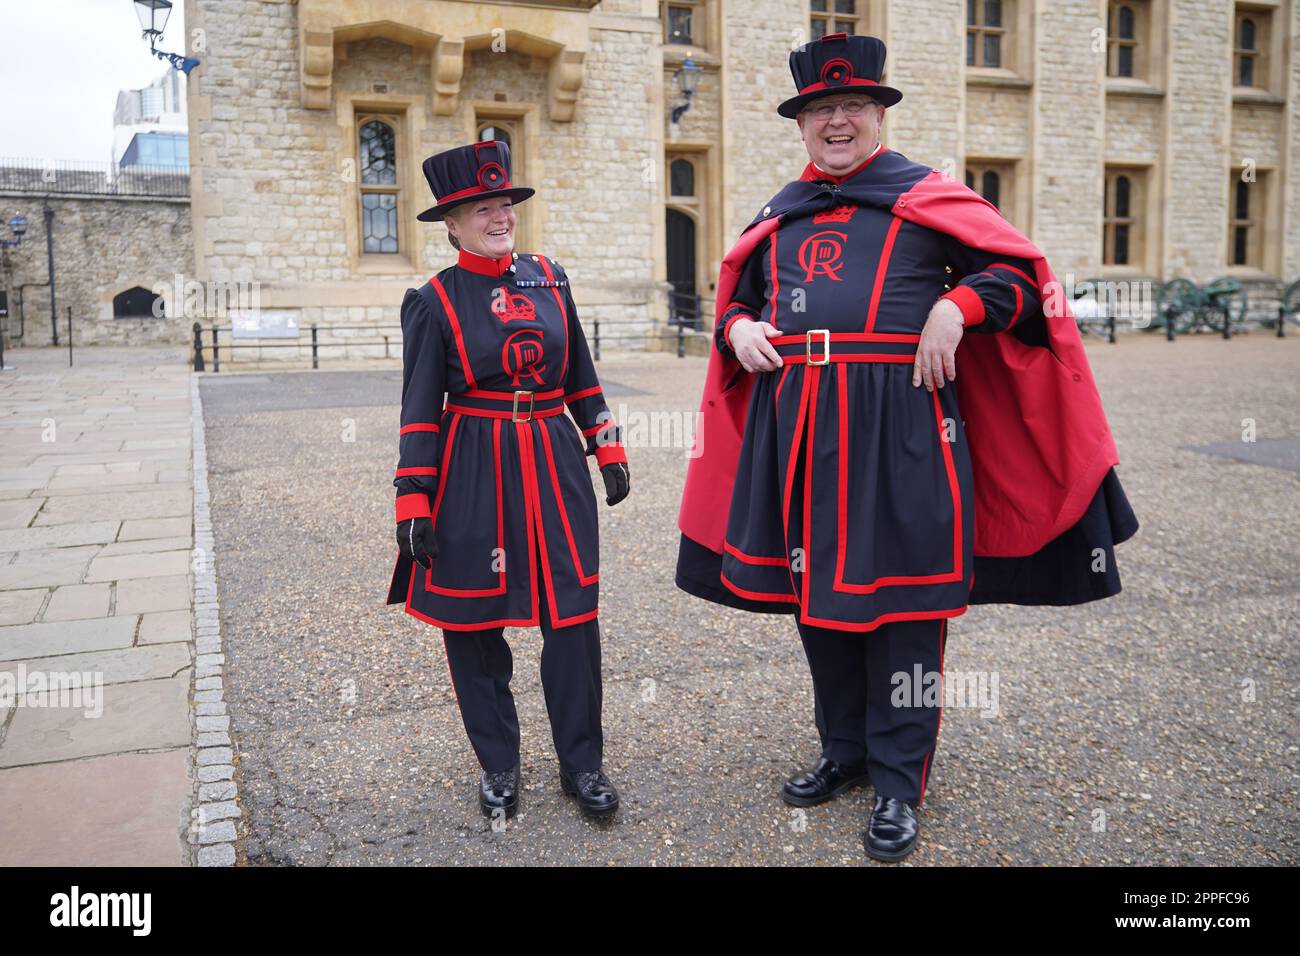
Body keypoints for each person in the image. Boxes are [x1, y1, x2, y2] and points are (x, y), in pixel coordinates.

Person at [675, 34, 1138, 861]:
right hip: (802, 432)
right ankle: (845, 751)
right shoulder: (779, 213)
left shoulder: (931, 197)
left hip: (909, 431)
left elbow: (1020, 281)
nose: (838, 122)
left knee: (904, 610)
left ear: (879, 114)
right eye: (821, 111)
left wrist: (957, 306)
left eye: (853, 107)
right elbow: (736, 301)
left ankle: (897, 780)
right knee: (816, 603)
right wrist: (740, 326)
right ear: (803, 126)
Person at [386, 141, 631, 821]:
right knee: (471, 624)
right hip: (472, 470)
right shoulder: (433, 301)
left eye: (504, 204)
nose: (498, 217)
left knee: (574, 619)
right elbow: (418, 409)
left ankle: (582, 764)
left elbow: (580, 373)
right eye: (480, 208)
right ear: (452, 224)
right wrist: (413, 496)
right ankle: (498, 763)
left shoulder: (551, 278)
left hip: (554, 463)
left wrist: (607, 448)